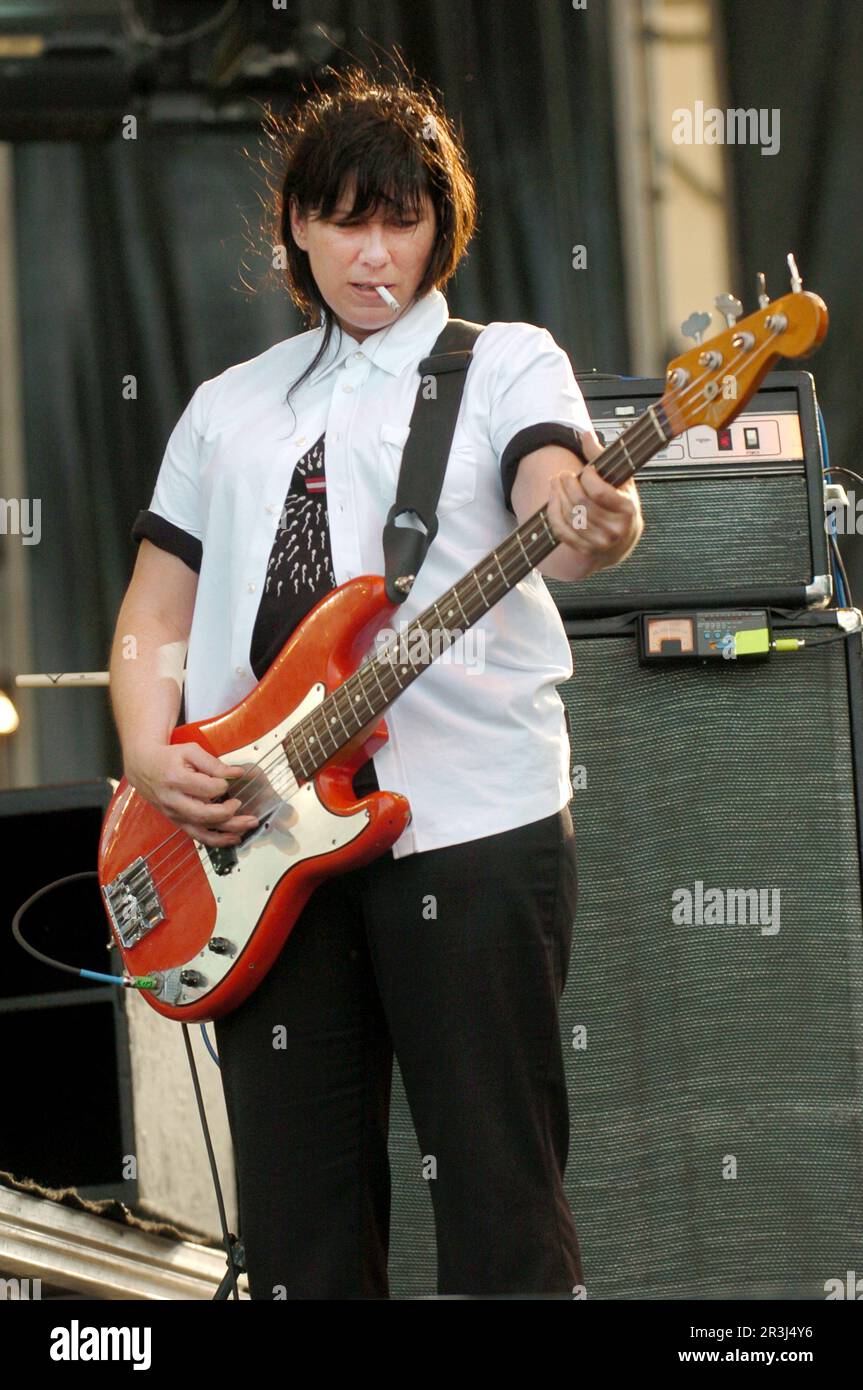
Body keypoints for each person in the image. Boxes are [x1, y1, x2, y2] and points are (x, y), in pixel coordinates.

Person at [108, 66, 644, 1300]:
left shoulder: (505, 361)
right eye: (348, 219)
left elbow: (555, 509)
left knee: (501, 1201)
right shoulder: (224, 410)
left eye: (402, 220)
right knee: (300, 1227)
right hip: (255, 840)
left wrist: (591, 521)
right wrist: (147, 751)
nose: (374, 253)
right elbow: (153, 611)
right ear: (297, 223)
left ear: (437, 228)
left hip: (466, 824)